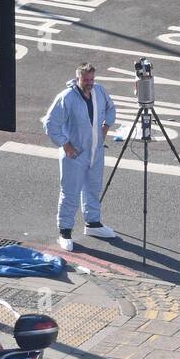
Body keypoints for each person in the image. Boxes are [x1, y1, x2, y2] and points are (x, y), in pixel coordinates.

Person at [40, 63, 118, 252]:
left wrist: (105, 129)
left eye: (92, 79)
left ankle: (93, 224)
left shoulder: (99, 91)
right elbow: (50, 124)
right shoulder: (66, 98)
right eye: (86, 80)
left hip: (96, 151)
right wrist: (65, 145)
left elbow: (110, 108)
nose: (90, 83)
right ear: (78, 79)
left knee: (93, 188)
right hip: (74, 154)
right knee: (70, 192)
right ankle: (65, 231)